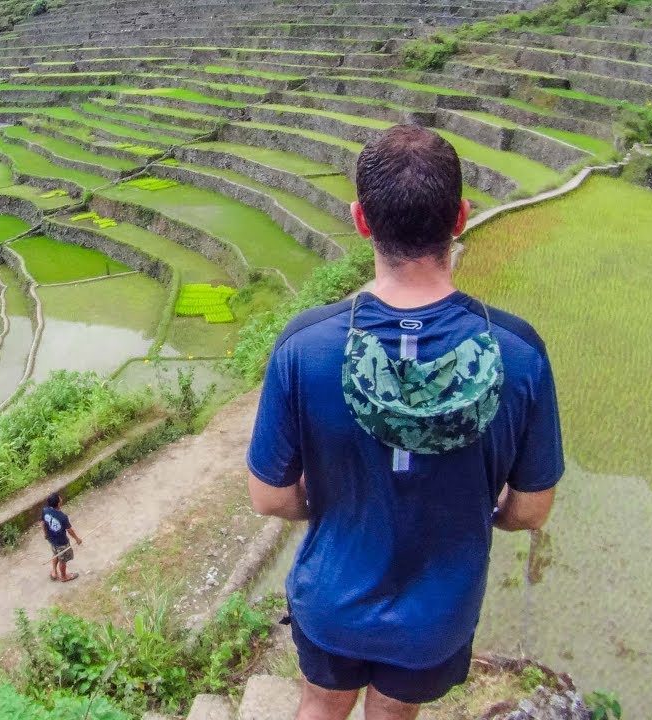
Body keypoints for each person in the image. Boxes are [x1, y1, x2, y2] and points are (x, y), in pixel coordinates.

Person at [246, 124, 564, 720]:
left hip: (332, 599)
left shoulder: (305, 345)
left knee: (317, 706)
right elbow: (531, 510)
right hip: (434, 616)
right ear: (461, 217)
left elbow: (268, 497)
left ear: (360, 220)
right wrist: (476, 509)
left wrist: (337, 503)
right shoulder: (520, 352)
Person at [42, 493, 82, 582]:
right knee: (62, 560)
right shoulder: (62, 517)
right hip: (62, 543)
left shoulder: (45, 510)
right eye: (60, 499)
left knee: (55, 554)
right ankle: (64, 577)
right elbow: (69, 530)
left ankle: (54, 572)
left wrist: (45, 534)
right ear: (58, 503)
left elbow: (43, 523)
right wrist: (77, 539)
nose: (61, 499)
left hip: (51, 540)